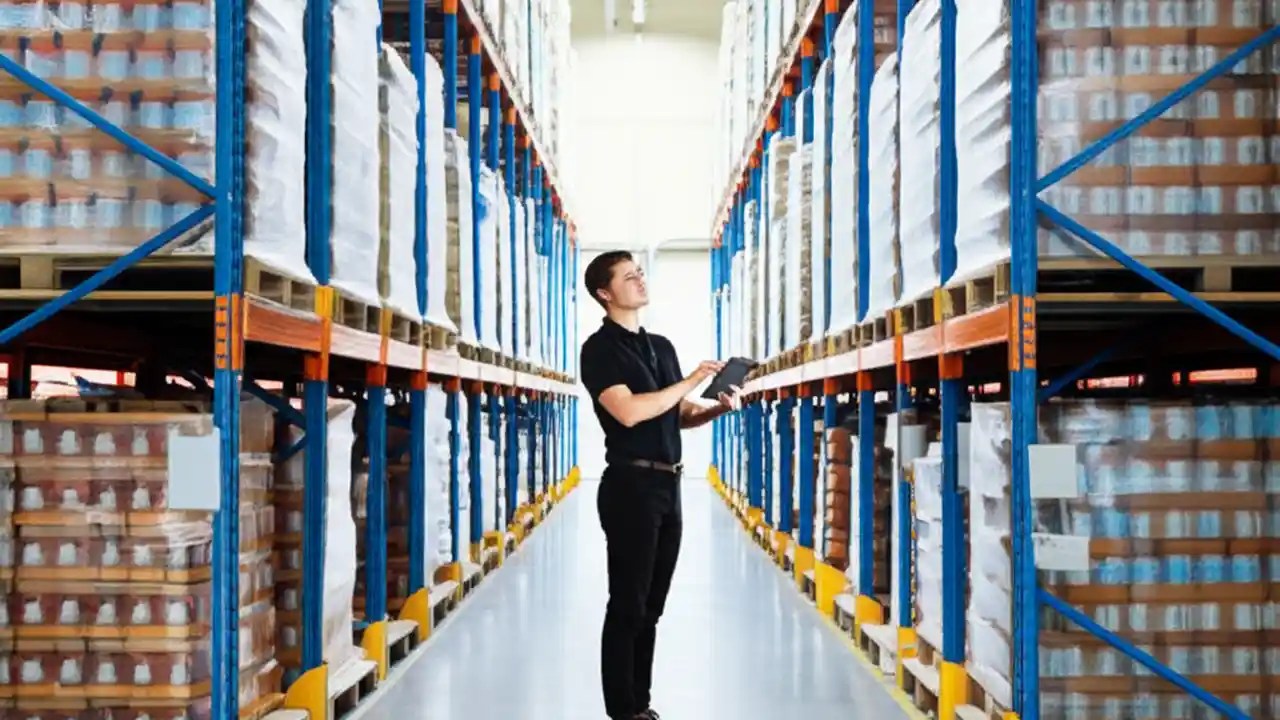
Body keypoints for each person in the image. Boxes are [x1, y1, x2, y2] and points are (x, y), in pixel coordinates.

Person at [579, 250, 741, 720]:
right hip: (630, 486)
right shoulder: (599, 350)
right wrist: (692, 379)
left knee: (651, 606)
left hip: (669, 487)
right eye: (629, 277)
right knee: (627, 603)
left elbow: (678, 412)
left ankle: (641, 705)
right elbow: (629, 411)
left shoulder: (662, 347)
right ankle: (622, 710)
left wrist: (716, 407)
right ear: (604, 294)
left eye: (640, 273)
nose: (640, 281)